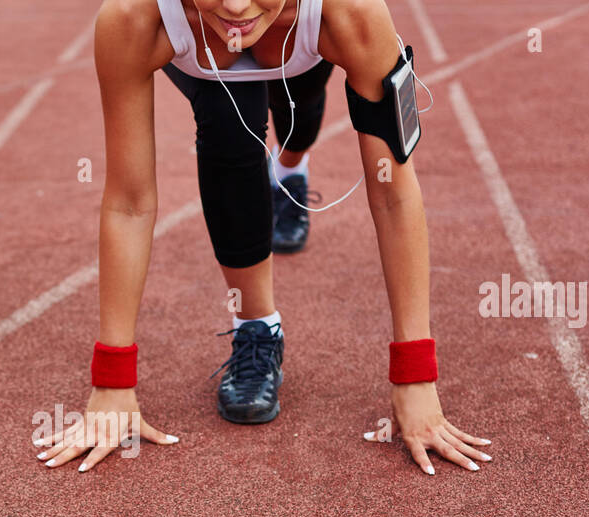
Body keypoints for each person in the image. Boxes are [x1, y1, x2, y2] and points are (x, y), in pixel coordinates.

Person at [35, 0, 491, 474]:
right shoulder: (133, 18)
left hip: (305, 53)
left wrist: (415, 376)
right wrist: (112, 384)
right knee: (230, 130)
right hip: (212, 67)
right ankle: (256, 325)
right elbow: (129, 203)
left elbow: (394, 196)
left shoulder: (352, 14)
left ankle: (291, 166)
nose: (234, 6)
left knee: (302, 110)